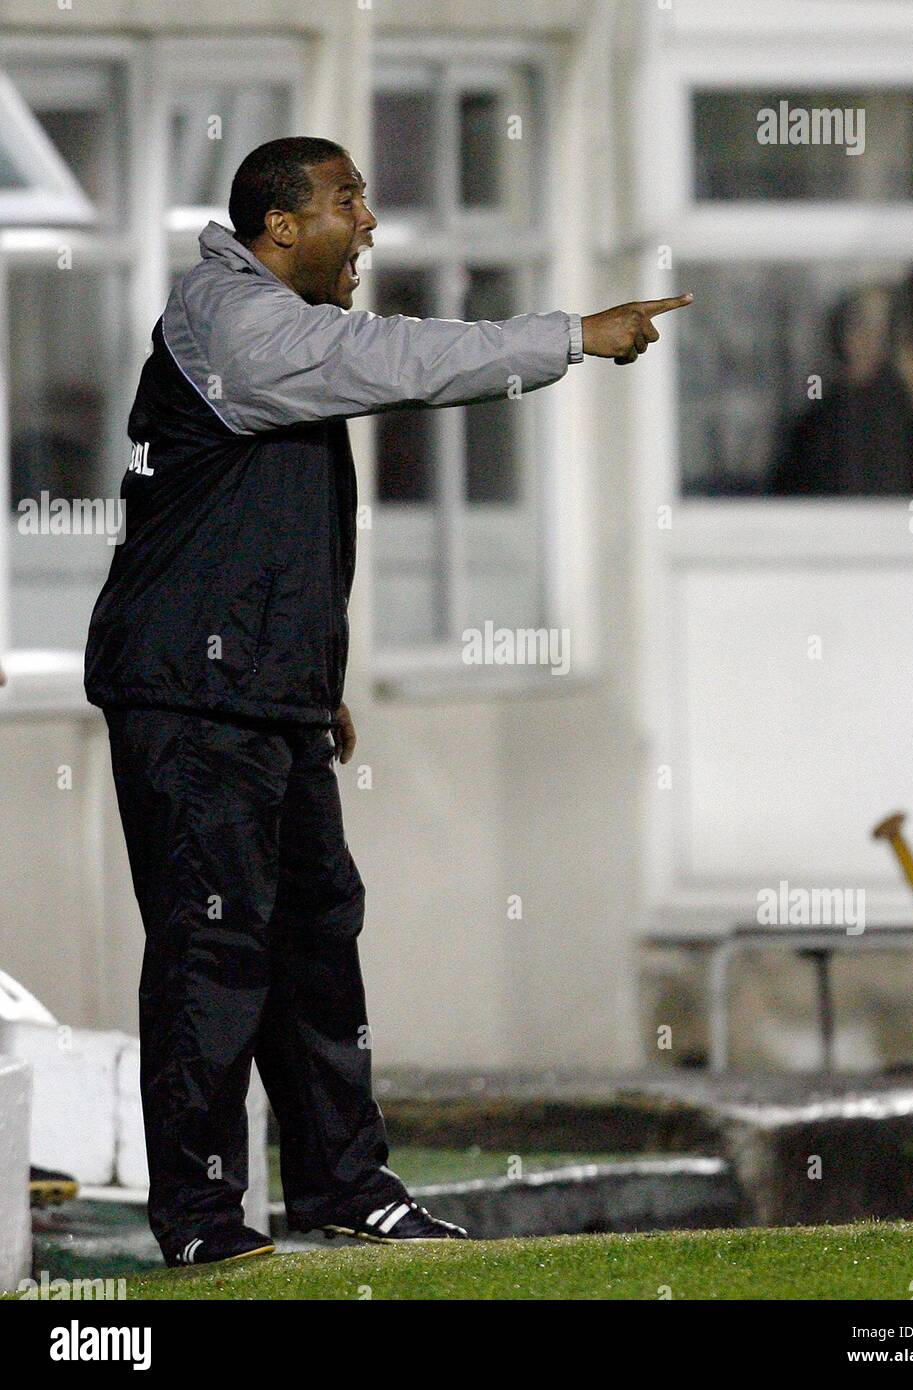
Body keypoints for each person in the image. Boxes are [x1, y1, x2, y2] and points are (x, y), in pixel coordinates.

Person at [83, 135, 692, 1268]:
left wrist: (316, 680)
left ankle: (340, 1187)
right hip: (189, 696)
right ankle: (207, 1224)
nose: (369, 223)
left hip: (265, 693)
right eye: (348, 201)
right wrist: (570, 334)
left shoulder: (271, 322)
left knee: (318, 945)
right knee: (214, 958)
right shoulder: (238, 320)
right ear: (279, 229)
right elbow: (396, 361)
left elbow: (266, 527)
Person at [767, 269, 913, 497]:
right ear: (843, 333)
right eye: (862, 325)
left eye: (884, 329)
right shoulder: (818, 420)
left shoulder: (908, 413)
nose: (872, 340)